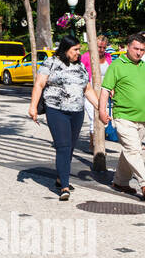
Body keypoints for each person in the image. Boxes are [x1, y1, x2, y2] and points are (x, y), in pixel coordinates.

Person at [99, 32, 145, 201]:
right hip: (123, 116)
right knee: (134, 150)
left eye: (142, 50)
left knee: (130, 151)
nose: (139, 53)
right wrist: (102, 111)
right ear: (128, 47)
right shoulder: (117, 65)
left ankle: (120, 182)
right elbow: (105, 90)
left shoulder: (144, 67)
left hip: (142, 117)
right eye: (136, 48)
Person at [28, 38, 101, 200]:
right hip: (56, 110)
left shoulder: (80, 66)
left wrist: (100, 108)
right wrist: (33, 107)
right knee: (63, 146)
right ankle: (65, 187)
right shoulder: (51, 62)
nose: (78, 53)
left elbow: (87, 89)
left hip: (77, 112)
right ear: (65, 49)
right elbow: (39, 84)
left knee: (70, 147)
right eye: (75, 49)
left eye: (79, 49)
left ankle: (61, 177)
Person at [80, 36, 112, 135]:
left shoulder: (108, 56)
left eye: (104, 47)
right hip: (90, 92)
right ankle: (93, 144)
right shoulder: (86, 57)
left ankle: (97, 142)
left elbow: (110, 74)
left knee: (101, 116)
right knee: (94, 117)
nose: (102, 50)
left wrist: (112, 88)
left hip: (104, 93)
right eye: (99, 47)